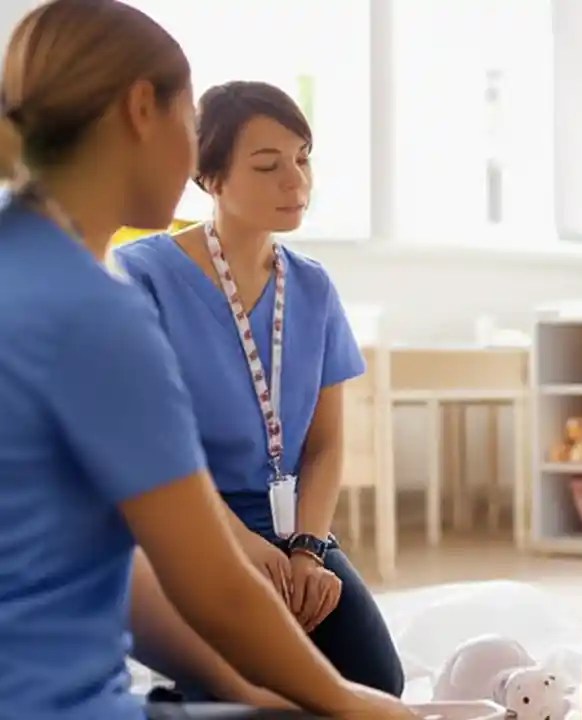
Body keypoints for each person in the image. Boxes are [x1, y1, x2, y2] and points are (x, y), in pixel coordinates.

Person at [0, 1, 415, 718]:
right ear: (141, 110)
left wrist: (251, 685)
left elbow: (115, 567)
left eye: (302, 160)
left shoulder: (27, 268)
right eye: (189, 121)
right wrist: (343, 705)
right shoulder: (102, 302)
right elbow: (212, 586)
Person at [112, 80, 404, 699]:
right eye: (268, 165)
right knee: (251, 691)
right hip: (188, 527)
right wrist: (240, 545)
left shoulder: (314, 288)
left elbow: (324, 446)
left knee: (377, 684)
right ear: (208, 176)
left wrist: (307, 550)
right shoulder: (143, 277)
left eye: (302, 158)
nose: (295, 183)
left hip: (290, 531)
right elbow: (148, 452)